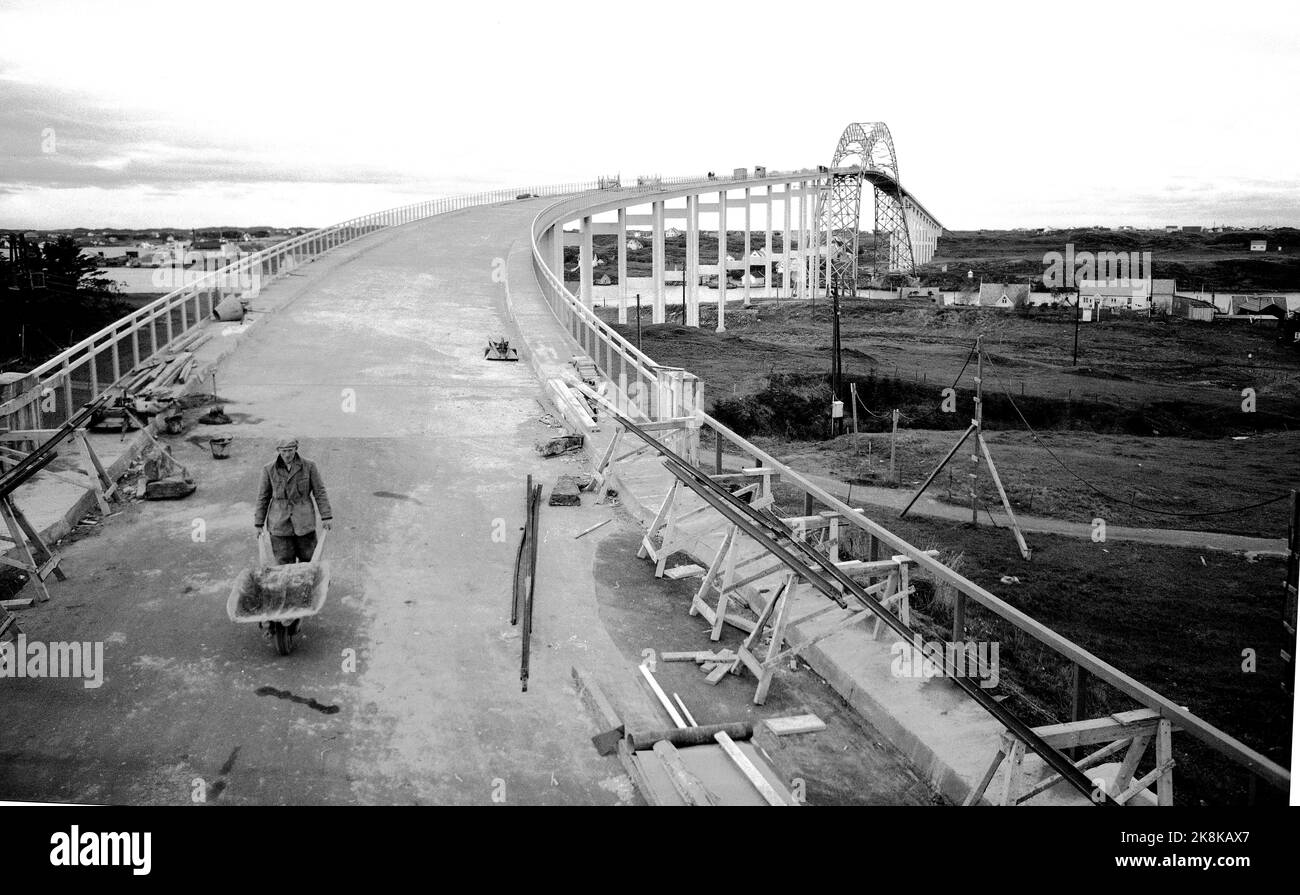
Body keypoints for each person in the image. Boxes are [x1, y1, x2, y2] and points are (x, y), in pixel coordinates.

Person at [253, 437, 333, 564]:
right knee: (284, 564)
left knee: (309, 562)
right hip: (279, 525)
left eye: (290, 450)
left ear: (296, 449)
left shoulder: (309, 466)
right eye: (283, 451)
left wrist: (326, 516)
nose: (287, 454)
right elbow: (263, 497)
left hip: (304, 523)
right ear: (278, 450)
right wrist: (258, 523)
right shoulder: (268, 469)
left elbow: (320, 492)